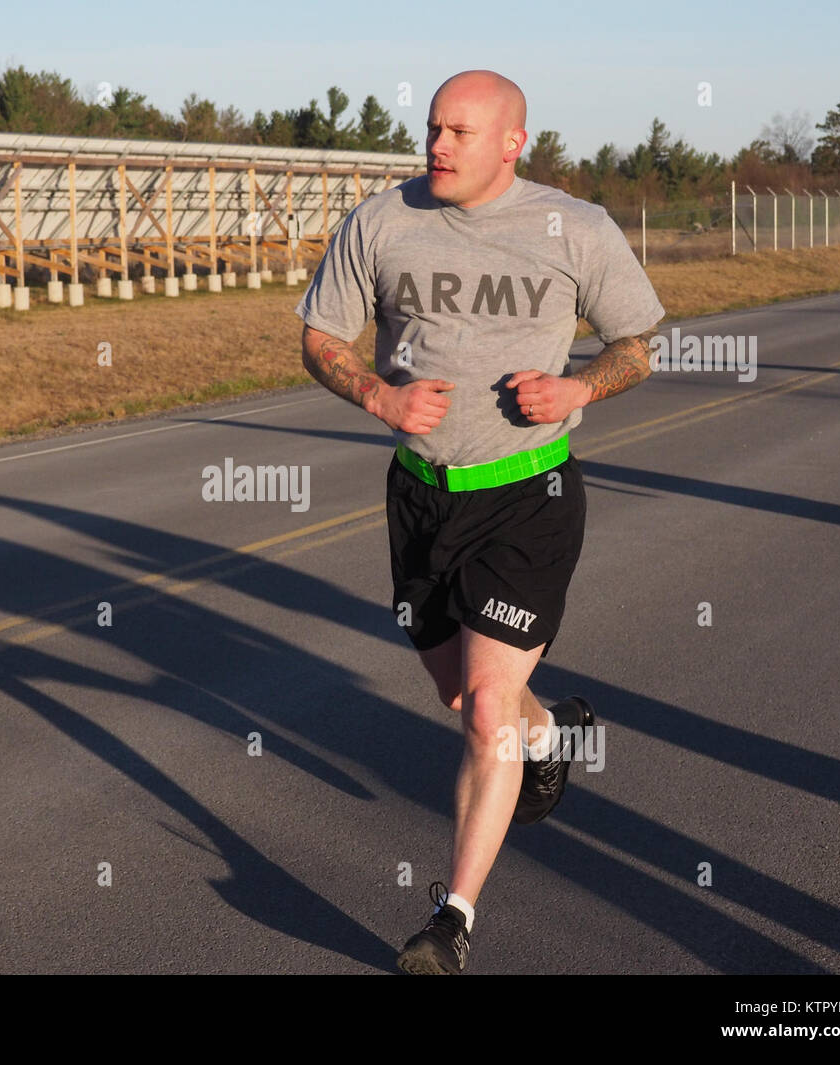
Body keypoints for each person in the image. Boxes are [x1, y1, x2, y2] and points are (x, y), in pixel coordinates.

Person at [294, 69, 665, 975]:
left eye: (461, 131)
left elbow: (636, 345)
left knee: (488, 705)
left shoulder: (574, 228)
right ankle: (553, 731)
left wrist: (579, 386)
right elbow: (320, 338)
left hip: (527, 495)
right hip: (420, 495)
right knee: (465, 696)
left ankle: (450, 921)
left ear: (512, 143)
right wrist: (378, 394)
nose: (438, 146)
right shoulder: (379, 221)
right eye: (432, 128)